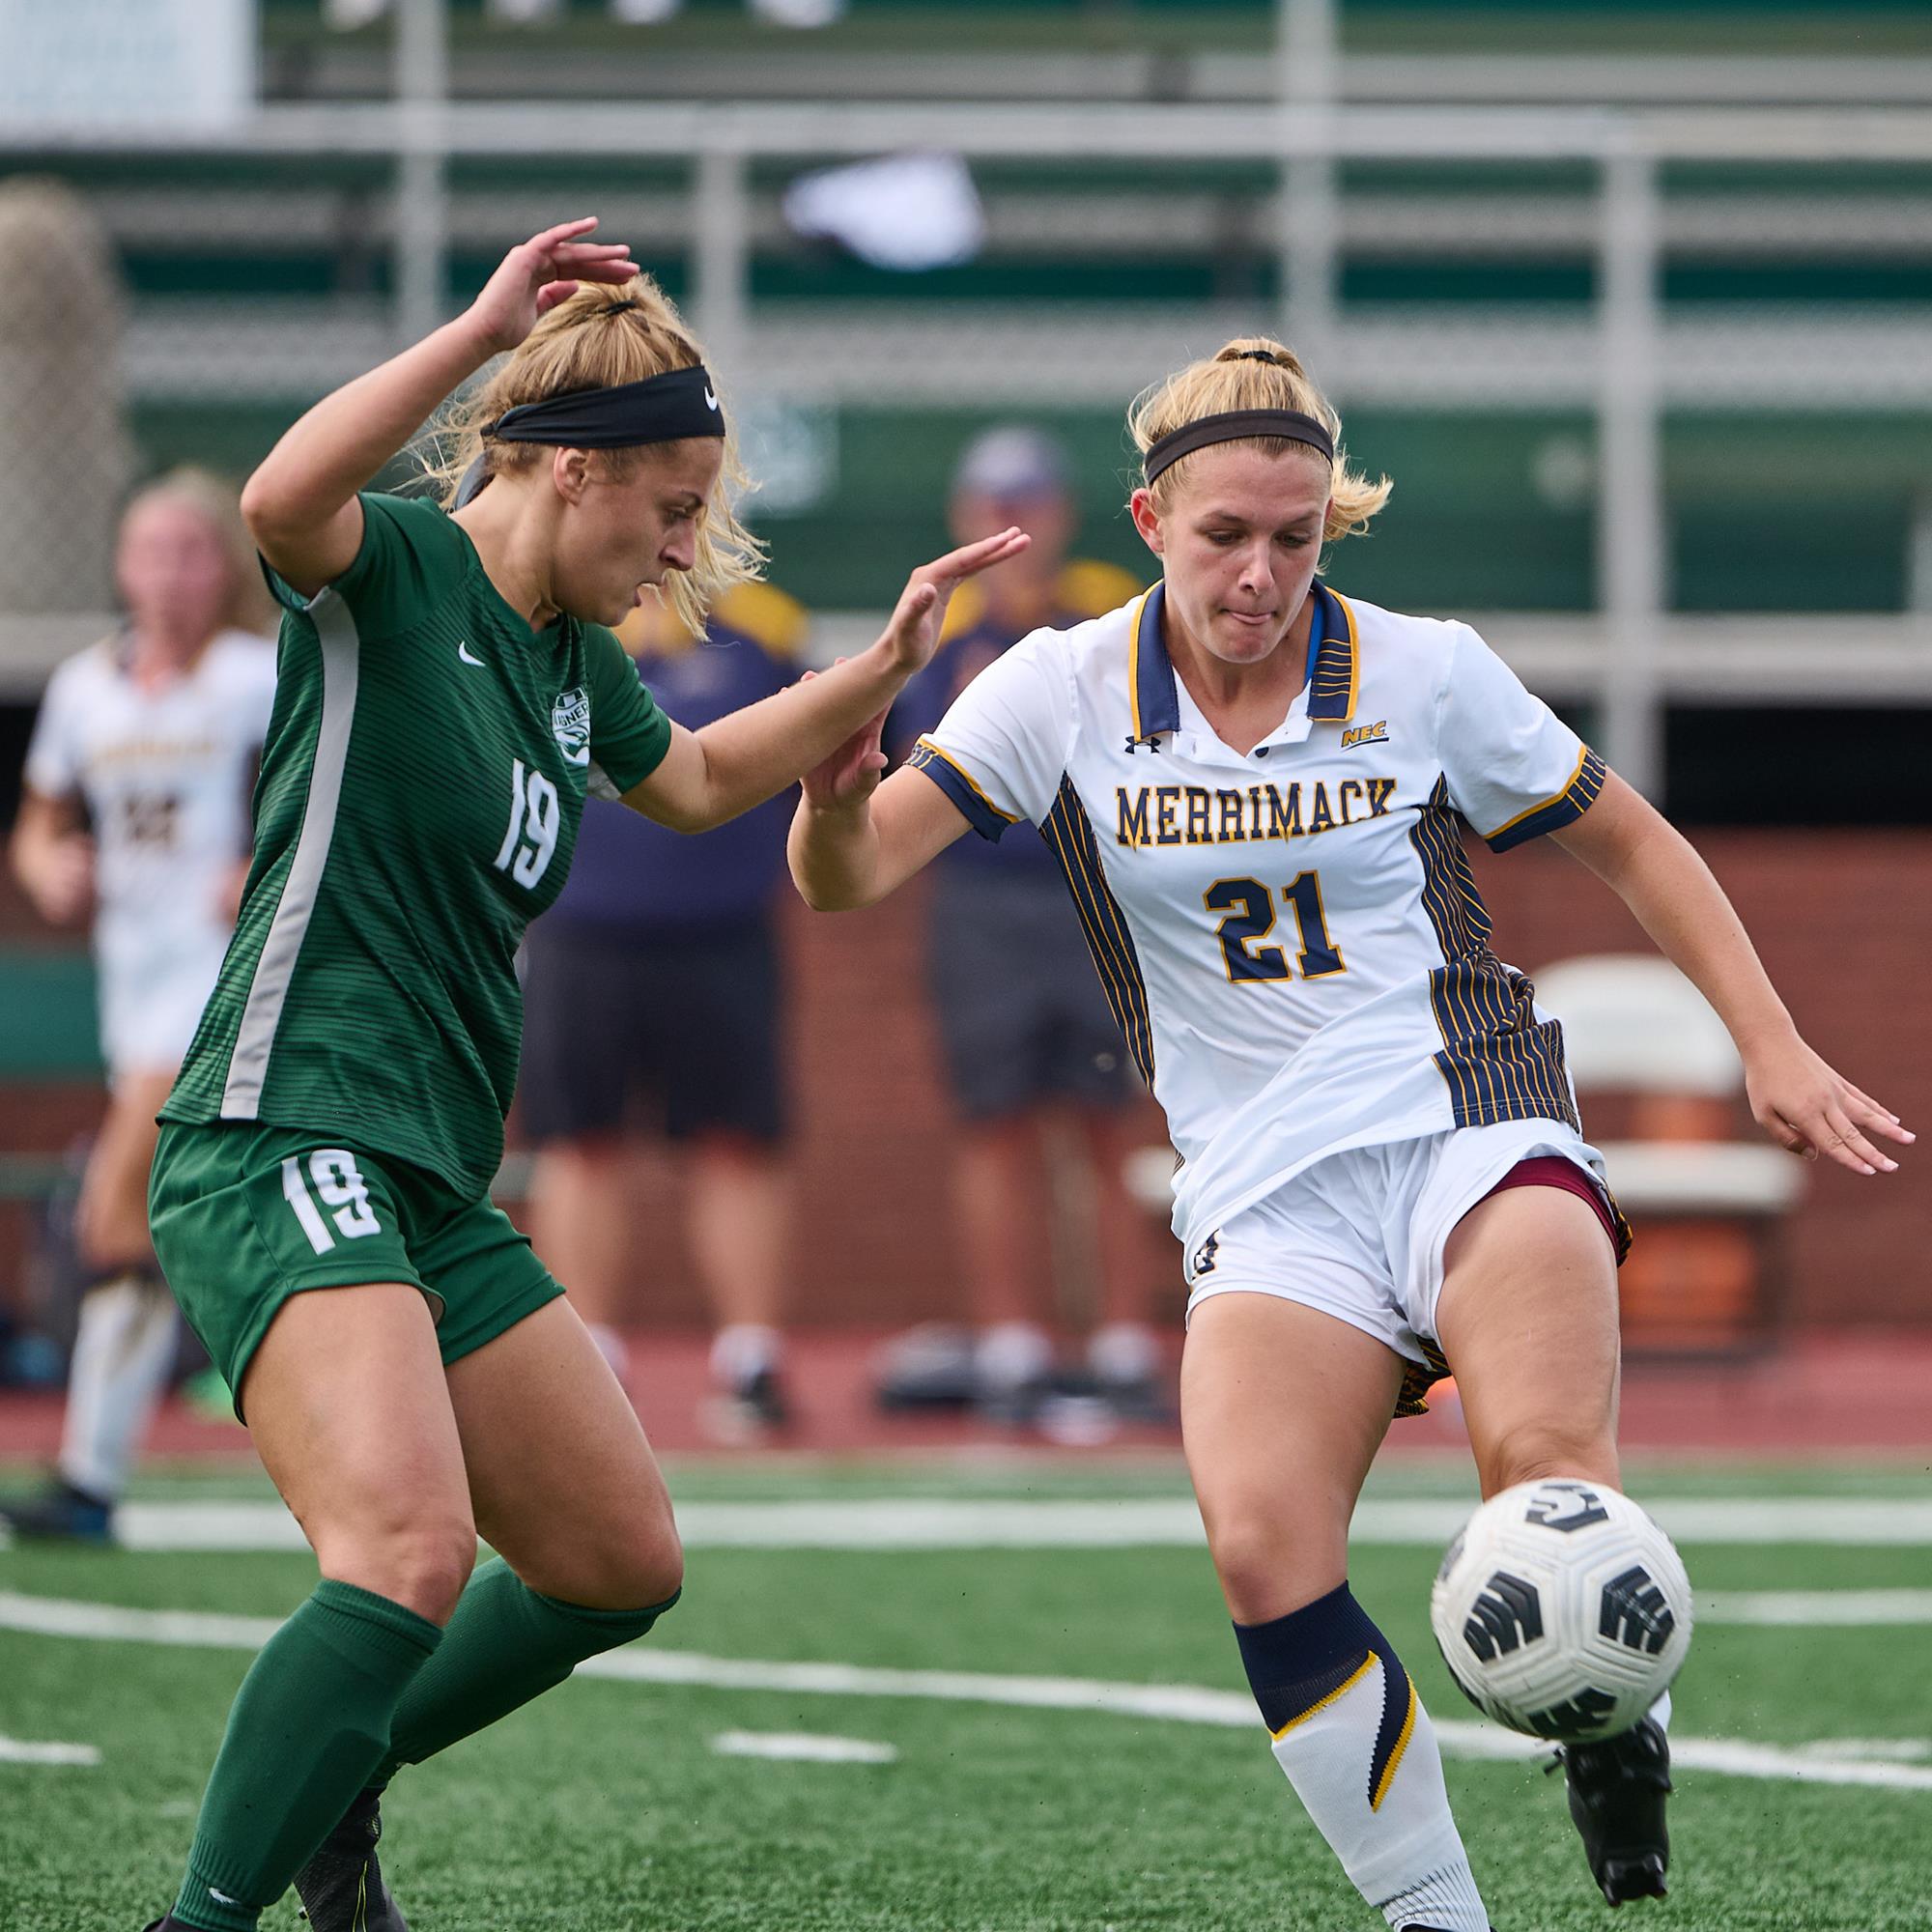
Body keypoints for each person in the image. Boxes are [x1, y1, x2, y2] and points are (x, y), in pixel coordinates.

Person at [788, 336, 1913, 1928]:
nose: (1260, 573)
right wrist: (833, 798)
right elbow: (842, 880)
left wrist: (1772, 1044)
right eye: (1224, 536)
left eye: (1296, 538)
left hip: (1469, 1113)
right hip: (1262, 1182)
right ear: (1150, 518)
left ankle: (1618, 1720)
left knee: (1543, 1480)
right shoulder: (1055, 689)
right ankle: (1437, 1917)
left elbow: (1636, 844)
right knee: (1262, 1552)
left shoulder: (1424, 669)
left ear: (1331, 531)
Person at [136, 217, 1025, 1932]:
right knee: (403, 1559)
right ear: (558, 469)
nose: (690, 547)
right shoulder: (394, 570)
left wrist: (887, 669)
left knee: (619, 1560)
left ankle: (343, 1768)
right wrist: (476, 331)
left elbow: (692, 783)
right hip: (282, 1124)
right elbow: (271, 504)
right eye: (672, 507)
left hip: (424, 1171)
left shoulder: (569, 664)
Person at [4, 470, 277, 1544]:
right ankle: (91, 1477)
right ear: (120, 564)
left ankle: (103, 1466)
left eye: (190, 551)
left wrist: (258, 859)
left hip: (224, 983)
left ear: (222, 566)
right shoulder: (84, 688)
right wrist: (46, 866)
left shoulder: (257, 675)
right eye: (150, 551)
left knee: (116, 1216)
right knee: (164, 1226)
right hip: (135, 983)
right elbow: (37, 823)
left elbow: (325, 795)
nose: (169, 572)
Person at [877, 425, 1168, 1425]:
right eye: (992, 502)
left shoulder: (1103, 616)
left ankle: (1123, 1333)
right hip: (978, 898)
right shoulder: (936, 624)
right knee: (992, 1119)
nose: (1011, 522)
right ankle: (1012, 1336)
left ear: (1059, 512)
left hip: (1092, 894)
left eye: (1029, 501)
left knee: (1106, 1118)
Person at [520, 578, 810, 1436]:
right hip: (579, 929)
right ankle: (591, 1356)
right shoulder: (557, 621)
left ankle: (751, 1359)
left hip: (720, 931)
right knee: (580, 1138)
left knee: (737, 1141)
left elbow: (817, 746)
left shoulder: (762, 625)